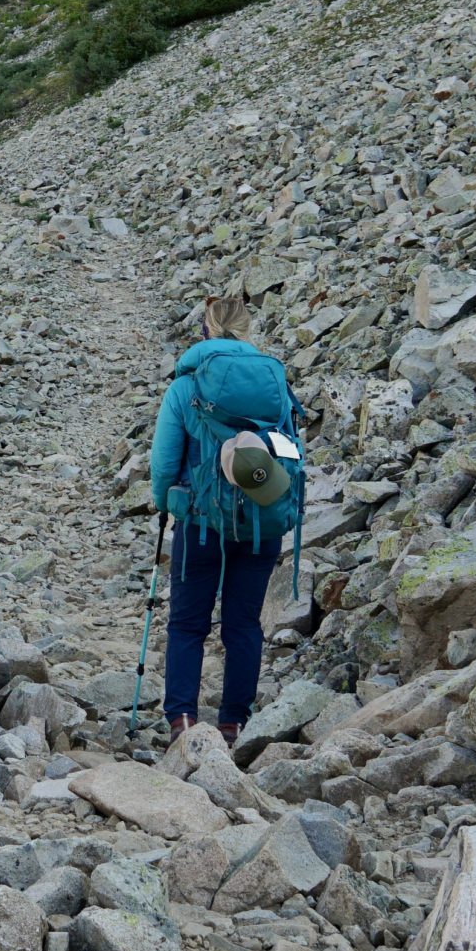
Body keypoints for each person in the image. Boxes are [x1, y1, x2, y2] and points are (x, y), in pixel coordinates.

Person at [146, 292, 302, 742]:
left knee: (187, 622)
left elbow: (163, 462)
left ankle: (183, 720)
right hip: (260, 519)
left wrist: (165, 503)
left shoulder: (185, 387)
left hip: (200, 520)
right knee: (244, 623)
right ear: (247, 331)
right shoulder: (275, 382)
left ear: (206, 330)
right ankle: (235, 721)